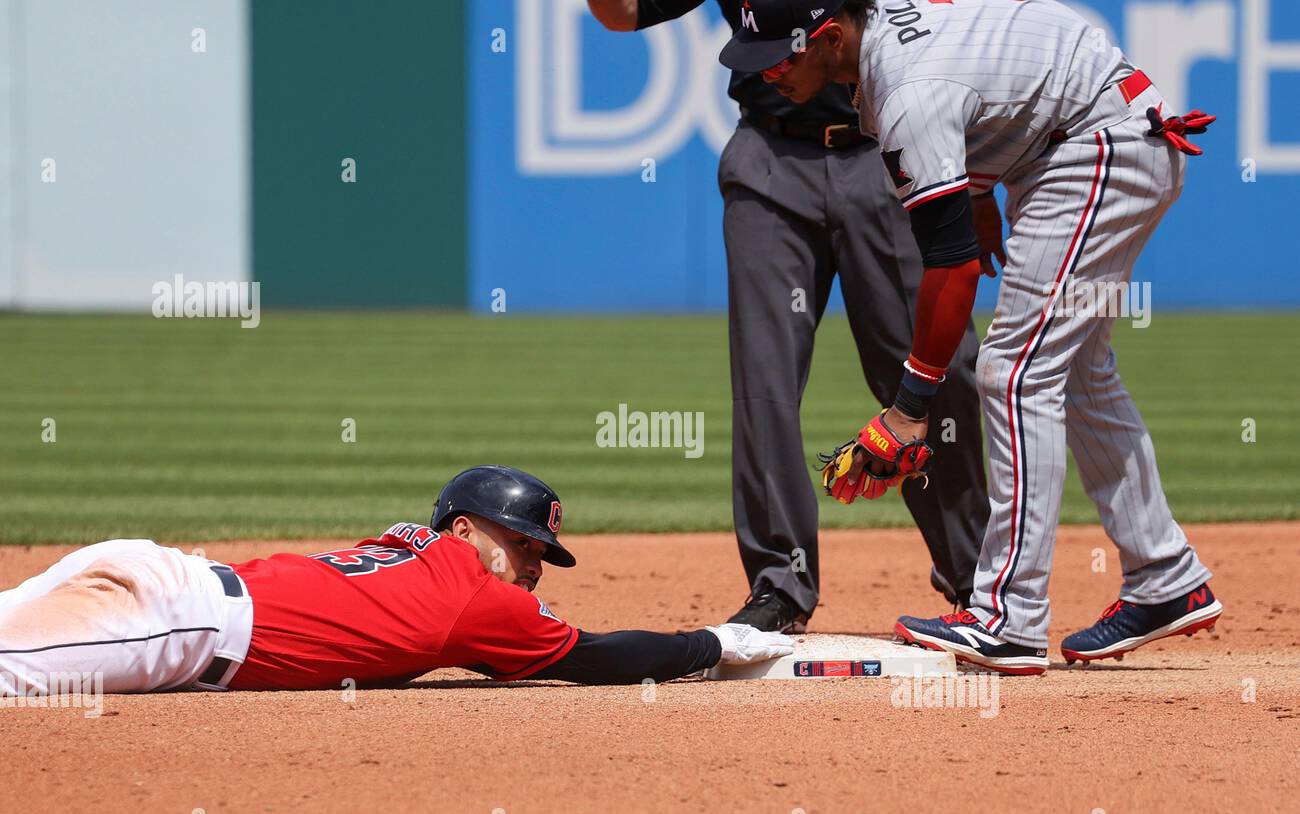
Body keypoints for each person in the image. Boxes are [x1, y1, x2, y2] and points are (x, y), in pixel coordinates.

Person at [721, 0, 1222, 674]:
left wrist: (909, 410)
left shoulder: (904, 92)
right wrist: (978, 193)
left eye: (780, 55)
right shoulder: (883, 42)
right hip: (1085, 139)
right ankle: (1164, 578)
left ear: (831, 37)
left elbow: (952, 267)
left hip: (1096, 146)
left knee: (1014, 373)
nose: (768, 72)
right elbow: (986, 82)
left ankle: (1007, 618)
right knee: (1076, 369)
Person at [587, 0, 989, 631]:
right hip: (769, 158)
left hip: (890, 151)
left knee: (941, 373)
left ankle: (977, 582)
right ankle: (780, 583)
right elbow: (623, 13)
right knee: (763, 383)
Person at [0, 465, 792, 695]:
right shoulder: (473, 601)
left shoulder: (409, 546)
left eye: (539, 554)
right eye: (519, 544)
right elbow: (598, 658)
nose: (528, 564)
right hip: (175, 618)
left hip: (145, 571)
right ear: (462, 530)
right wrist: (708, 642)